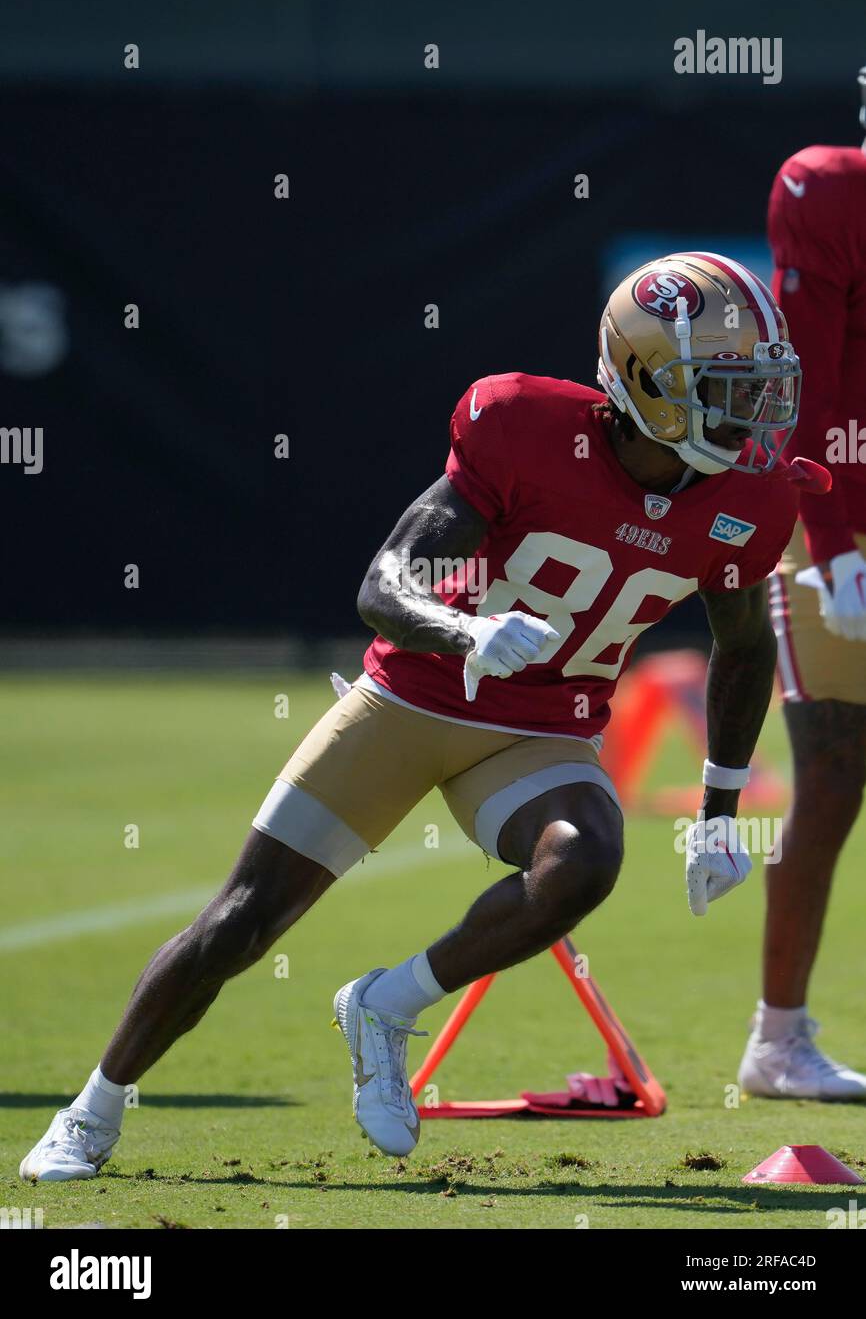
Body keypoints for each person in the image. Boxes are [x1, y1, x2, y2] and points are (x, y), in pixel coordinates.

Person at [22, 251, 818, 1178]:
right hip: (415, 697)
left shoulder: (748, 501)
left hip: (542, 729)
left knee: (588, 858)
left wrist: (719, 813)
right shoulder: (525, 426)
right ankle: (91, 1109)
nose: (750, 416)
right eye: (723, 389)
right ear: (645, 380)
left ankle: (387, 1005)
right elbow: (383, 583)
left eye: (758, 389)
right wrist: (462, 630)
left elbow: (746, 644)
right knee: (240, 922)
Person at [738, 68, 866, 1100]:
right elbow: (805, 384)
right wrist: (830, 539)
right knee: (829, 768)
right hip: (841, 518)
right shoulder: (824, 189)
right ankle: (777, 1040)